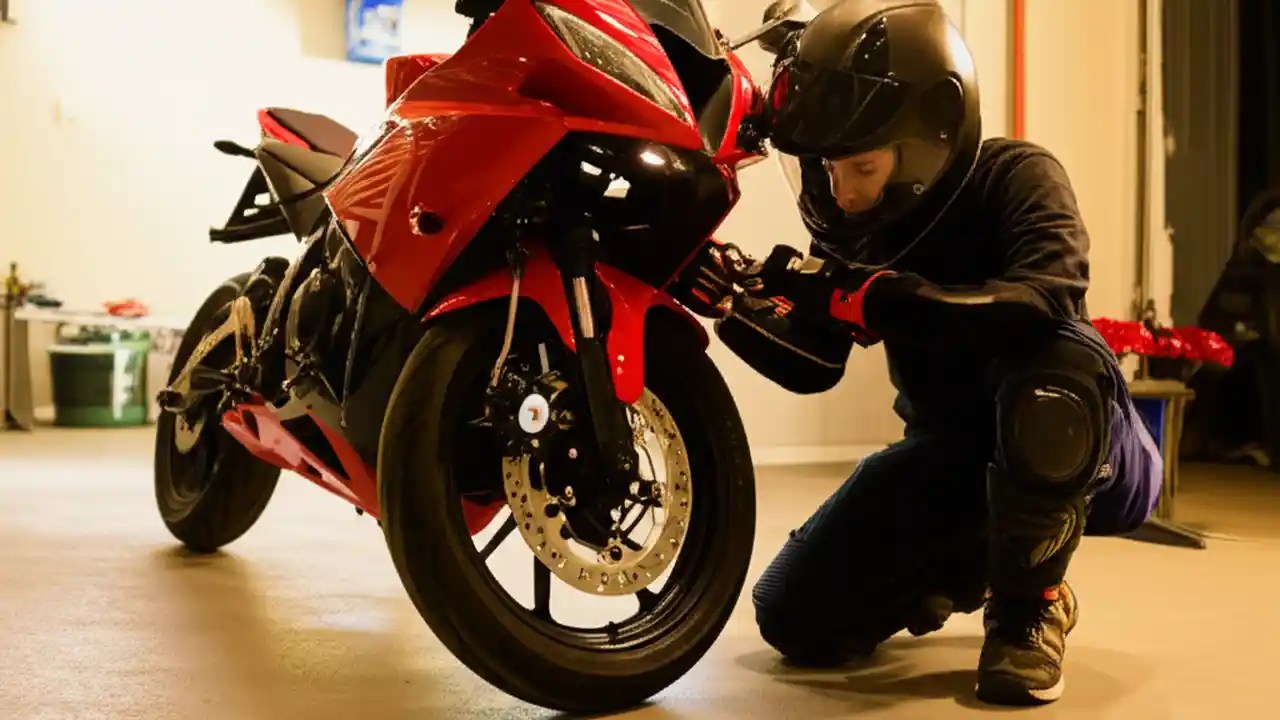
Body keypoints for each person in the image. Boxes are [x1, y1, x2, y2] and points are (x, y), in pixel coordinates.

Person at [670, 0, 1164, 707]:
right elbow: (816, 364)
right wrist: (731, 307)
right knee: (794, 618)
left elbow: (1043, 302)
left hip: (1092, 451)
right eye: (828, 169)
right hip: (953, 451)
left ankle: (1030, 607)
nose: (843, 194)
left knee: (1051, 380)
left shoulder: (1018, 175)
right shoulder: (855, 222)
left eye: (862, 167)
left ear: (929, 136)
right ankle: (977, 562)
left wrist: (887, 298)